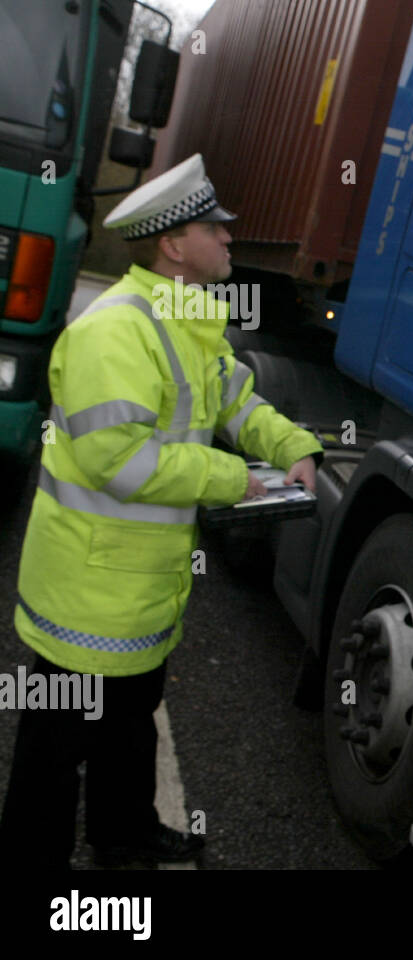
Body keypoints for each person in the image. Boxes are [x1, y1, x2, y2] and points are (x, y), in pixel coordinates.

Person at [0, 153, 323, 868]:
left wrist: (294, 447)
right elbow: (120, 462)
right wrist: (236, 479)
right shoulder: (114, 333)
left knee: (129, 725)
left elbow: (236, 398)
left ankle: (125, 835)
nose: (231, 240)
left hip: (136, 592)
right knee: (53, 754)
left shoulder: (186, 320)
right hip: (84, 597)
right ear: (175, 245)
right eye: (217, 228)